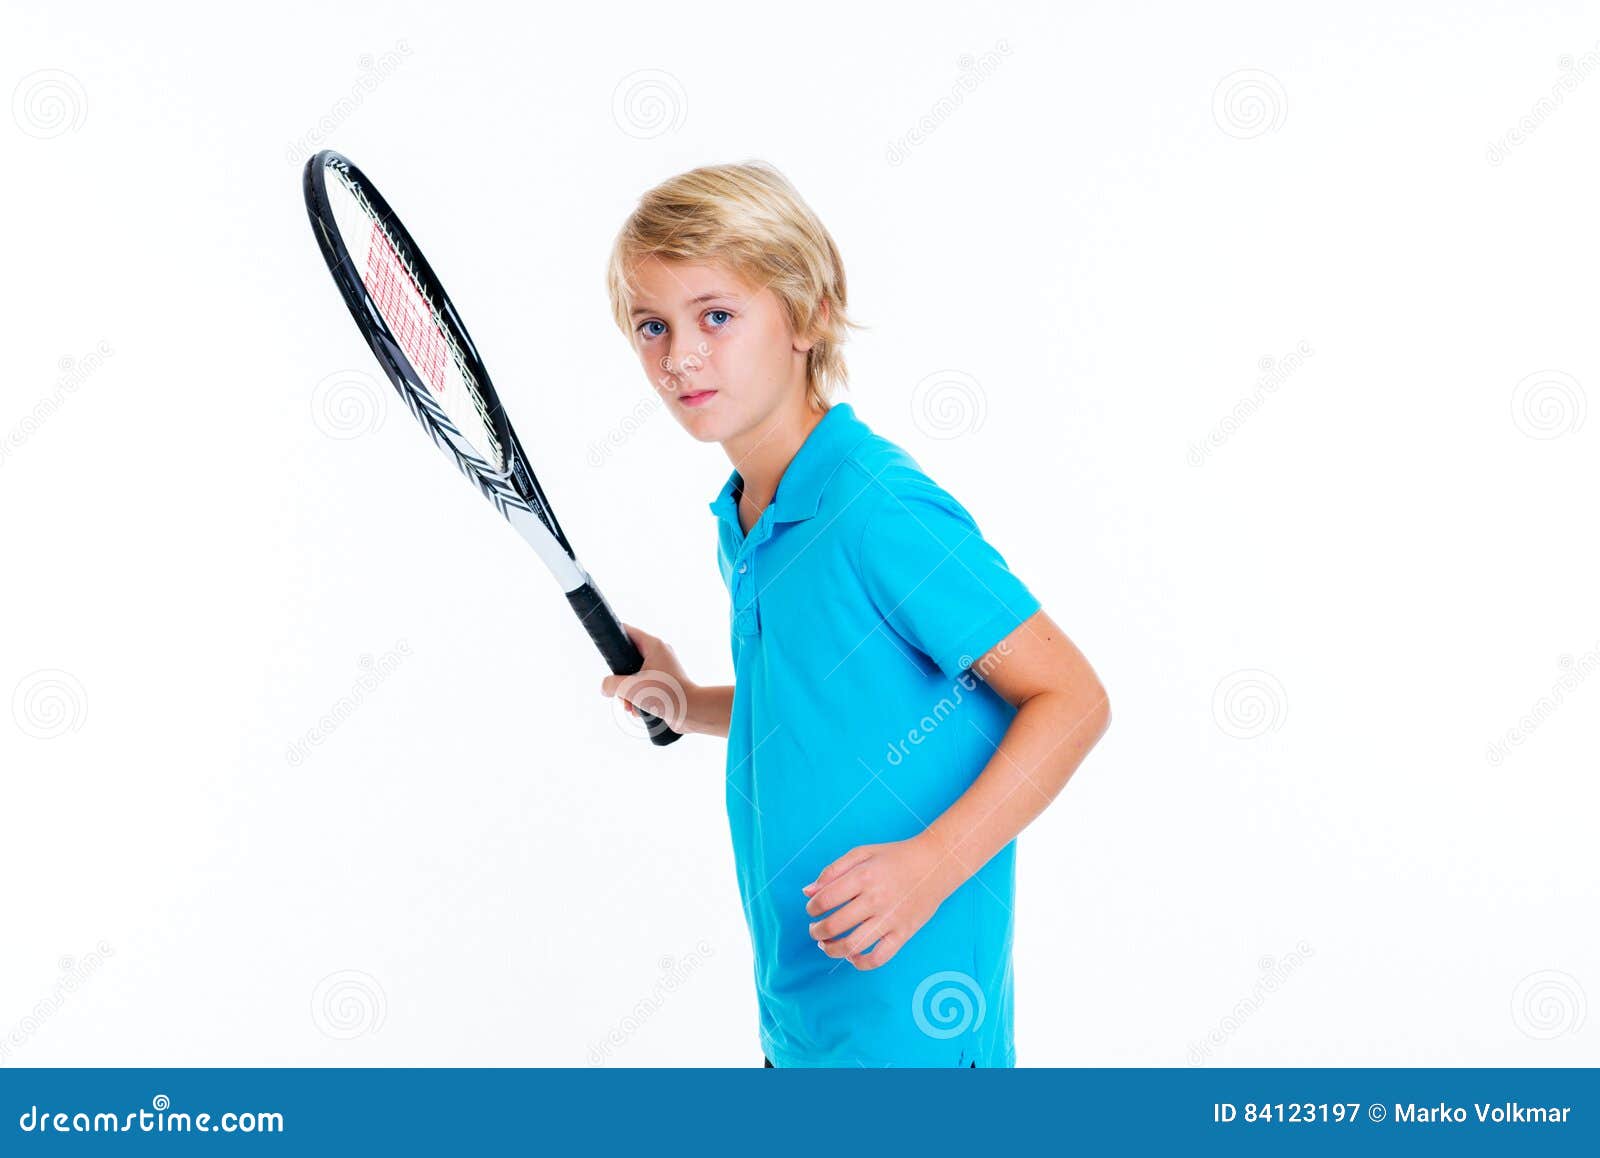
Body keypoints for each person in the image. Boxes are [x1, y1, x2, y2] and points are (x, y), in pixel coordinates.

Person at [598, 161, 1111, 1067]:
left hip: (912, 1037)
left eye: (716, 315)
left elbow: (1071, 698)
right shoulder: (750, 515)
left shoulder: (876, 509)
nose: (680, 355)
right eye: (653, 326)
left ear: (808, 315)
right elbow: (805, 706)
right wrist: (686, 697)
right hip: (803, 1021)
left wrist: (936, 863)